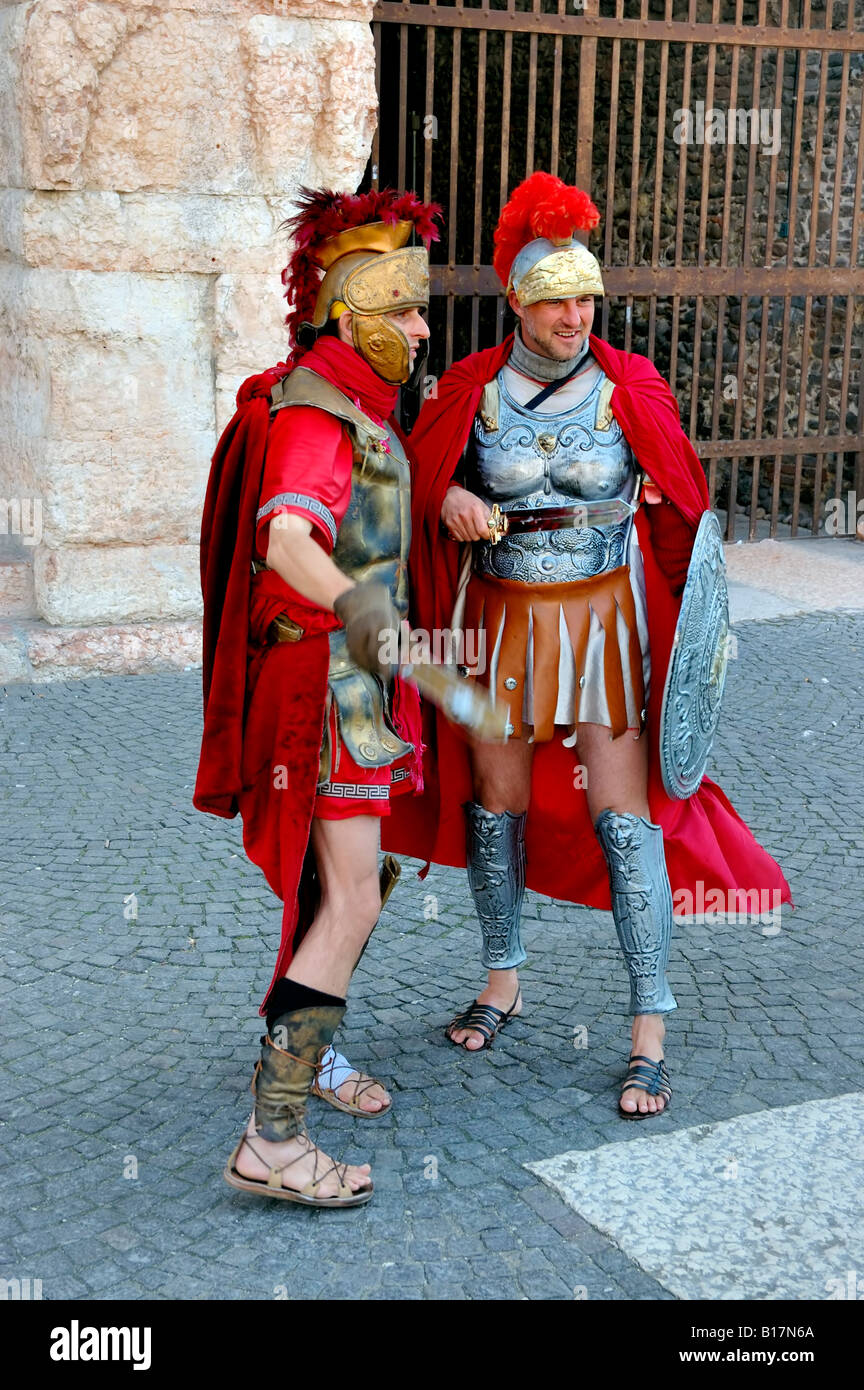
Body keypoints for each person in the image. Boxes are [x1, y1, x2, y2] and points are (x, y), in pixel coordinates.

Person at [383, 172, 791, 1119]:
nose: (574, 315)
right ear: (519, 301)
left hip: (605, 617)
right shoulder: (466, 392)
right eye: (555, 298)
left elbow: (685, 502)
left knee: (622, 817)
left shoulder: (630, 388)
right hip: (499, 619)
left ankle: (649, 1024)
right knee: (496, 806)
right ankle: (502, 979)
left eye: (584, 297)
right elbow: (416, 480)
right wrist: (443, 499)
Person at [194, 187, 440, 1203]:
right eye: (406, 308)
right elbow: (285, 536)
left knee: (356, 885)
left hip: (359, 683)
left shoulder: (357, 401)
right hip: (334, 688)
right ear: (352, 312)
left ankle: (307, 1067)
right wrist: (363, 608)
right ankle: (275, 1135)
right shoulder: (317, 411)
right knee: (345, 897)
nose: (423, 329)